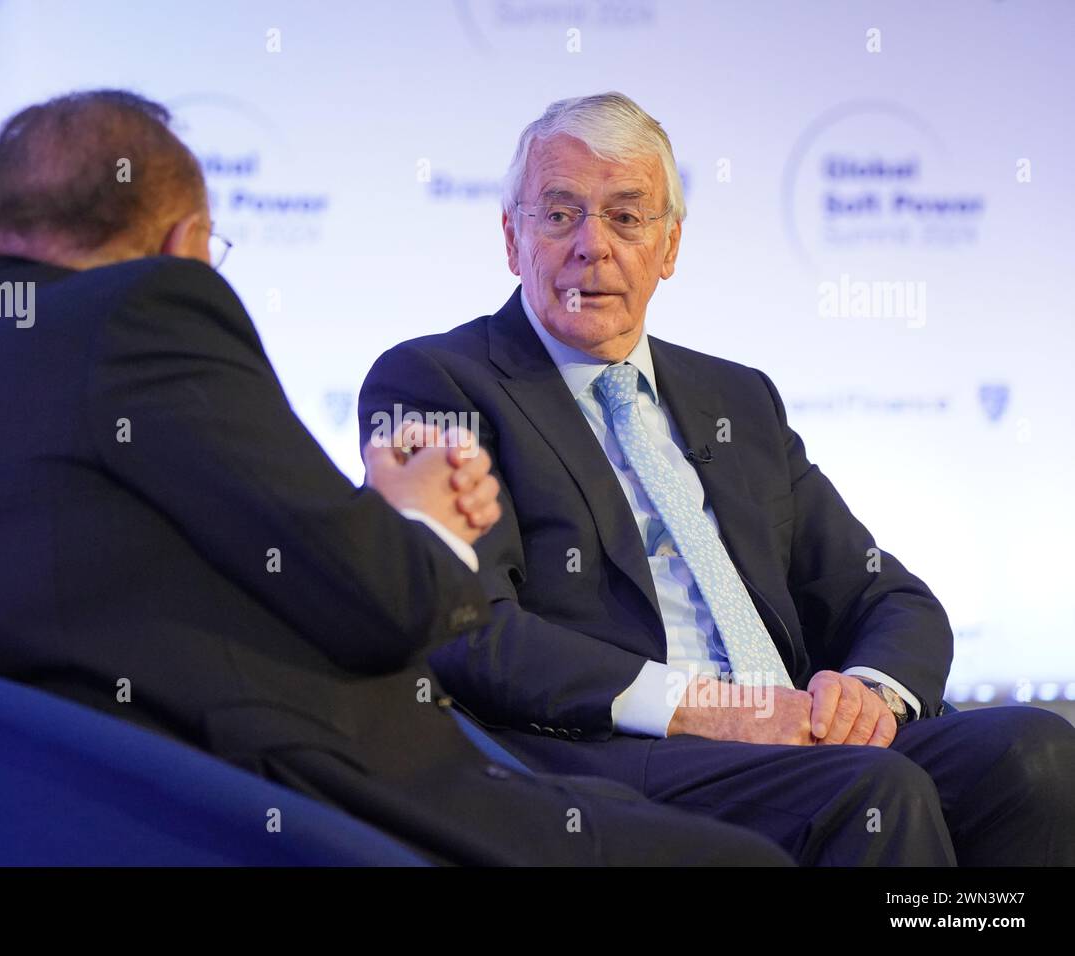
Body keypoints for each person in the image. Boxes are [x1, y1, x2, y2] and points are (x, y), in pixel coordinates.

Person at [0, 89, 791, 866]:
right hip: (301, 797)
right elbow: (380, 601)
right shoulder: (150, 309)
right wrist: (423, 519)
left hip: (67, 805)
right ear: (181, 241)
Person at [359, 91, 1075, 865]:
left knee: (1034, 754)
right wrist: (707, 709)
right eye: (560, 215)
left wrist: (866, 696)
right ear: (512, 237)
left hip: (796, 734)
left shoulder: (738, 398)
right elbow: (466, 626)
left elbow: (884, 594)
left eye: (627, 218)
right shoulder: (436, 383)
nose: (592, 246)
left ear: (669, 247)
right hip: (608, 753)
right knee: (871, 790)